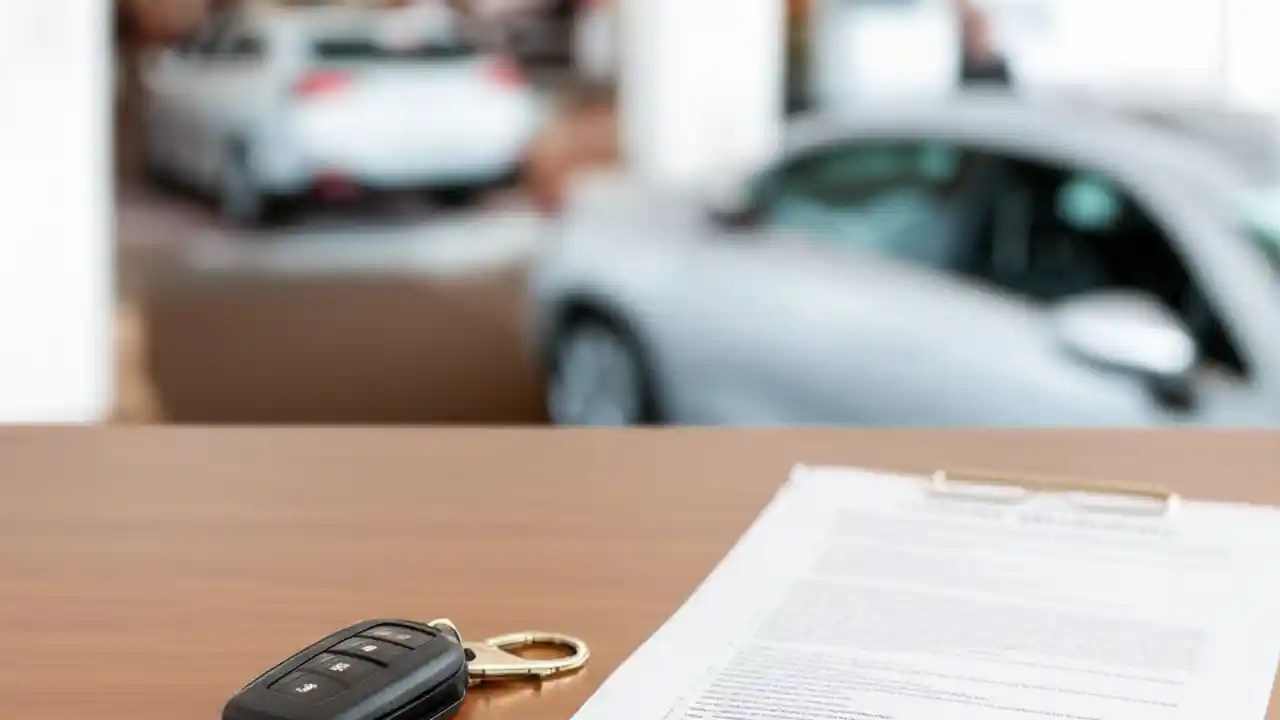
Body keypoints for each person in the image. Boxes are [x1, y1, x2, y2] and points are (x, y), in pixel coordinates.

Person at [956, 0, 1012, 88]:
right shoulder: (960, 63)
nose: (976, 37)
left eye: (979, 32)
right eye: (972, 32)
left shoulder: (998, 66)